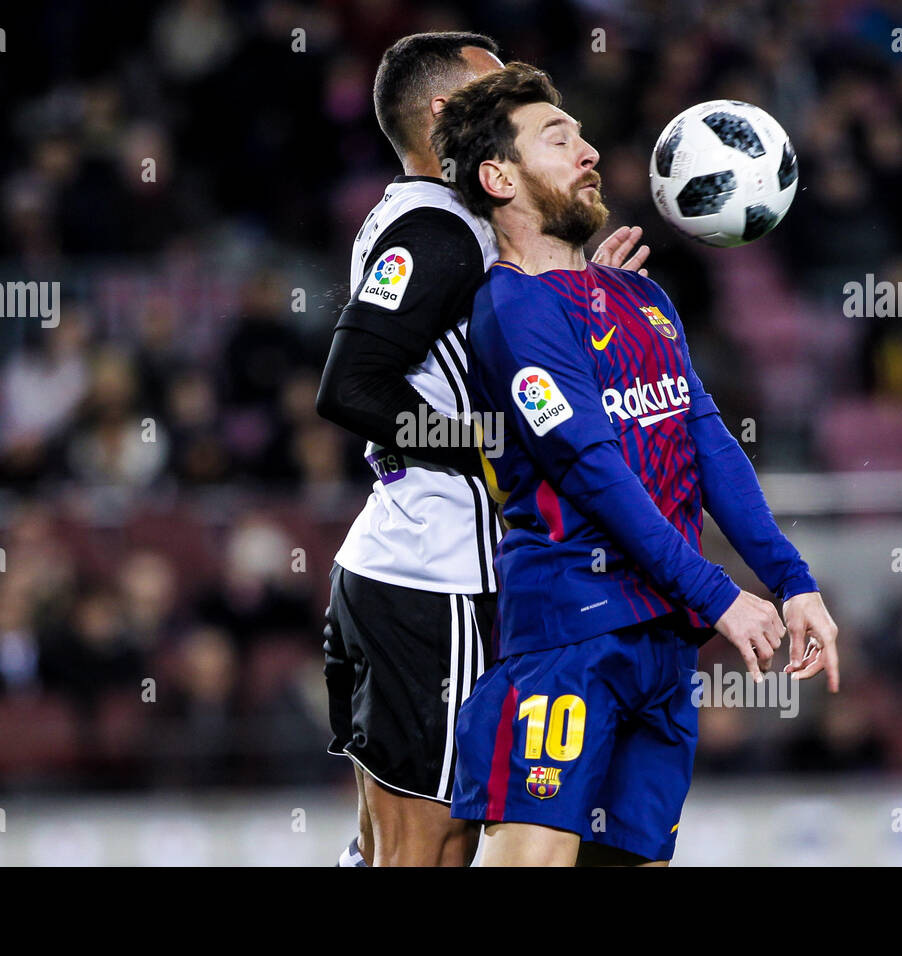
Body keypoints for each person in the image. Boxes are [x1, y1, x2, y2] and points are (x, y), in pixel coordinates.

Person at [431, 62, 840, 866]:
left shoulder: (641, 300)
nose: (589, 152)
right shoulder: (511, 311)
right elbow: (590, 469)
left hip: (664, 648)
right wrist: (723, 595)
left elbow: (710, 447)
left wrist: (793, 582)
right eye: (558, 138)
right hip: (570, 633)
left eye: (582, 133)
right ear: (497, 176)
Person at [315, 34, 649, 867]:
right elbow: (351, 390)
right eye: (496, 91)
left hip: (434, 575)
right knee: (430, 852)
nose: (518, 104)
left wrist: (579, 294)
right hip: (437, 580)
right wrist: (497, 444)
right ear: (443, 114)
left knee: (399, 851)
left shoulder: (444, 220)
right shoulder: (436, 230)